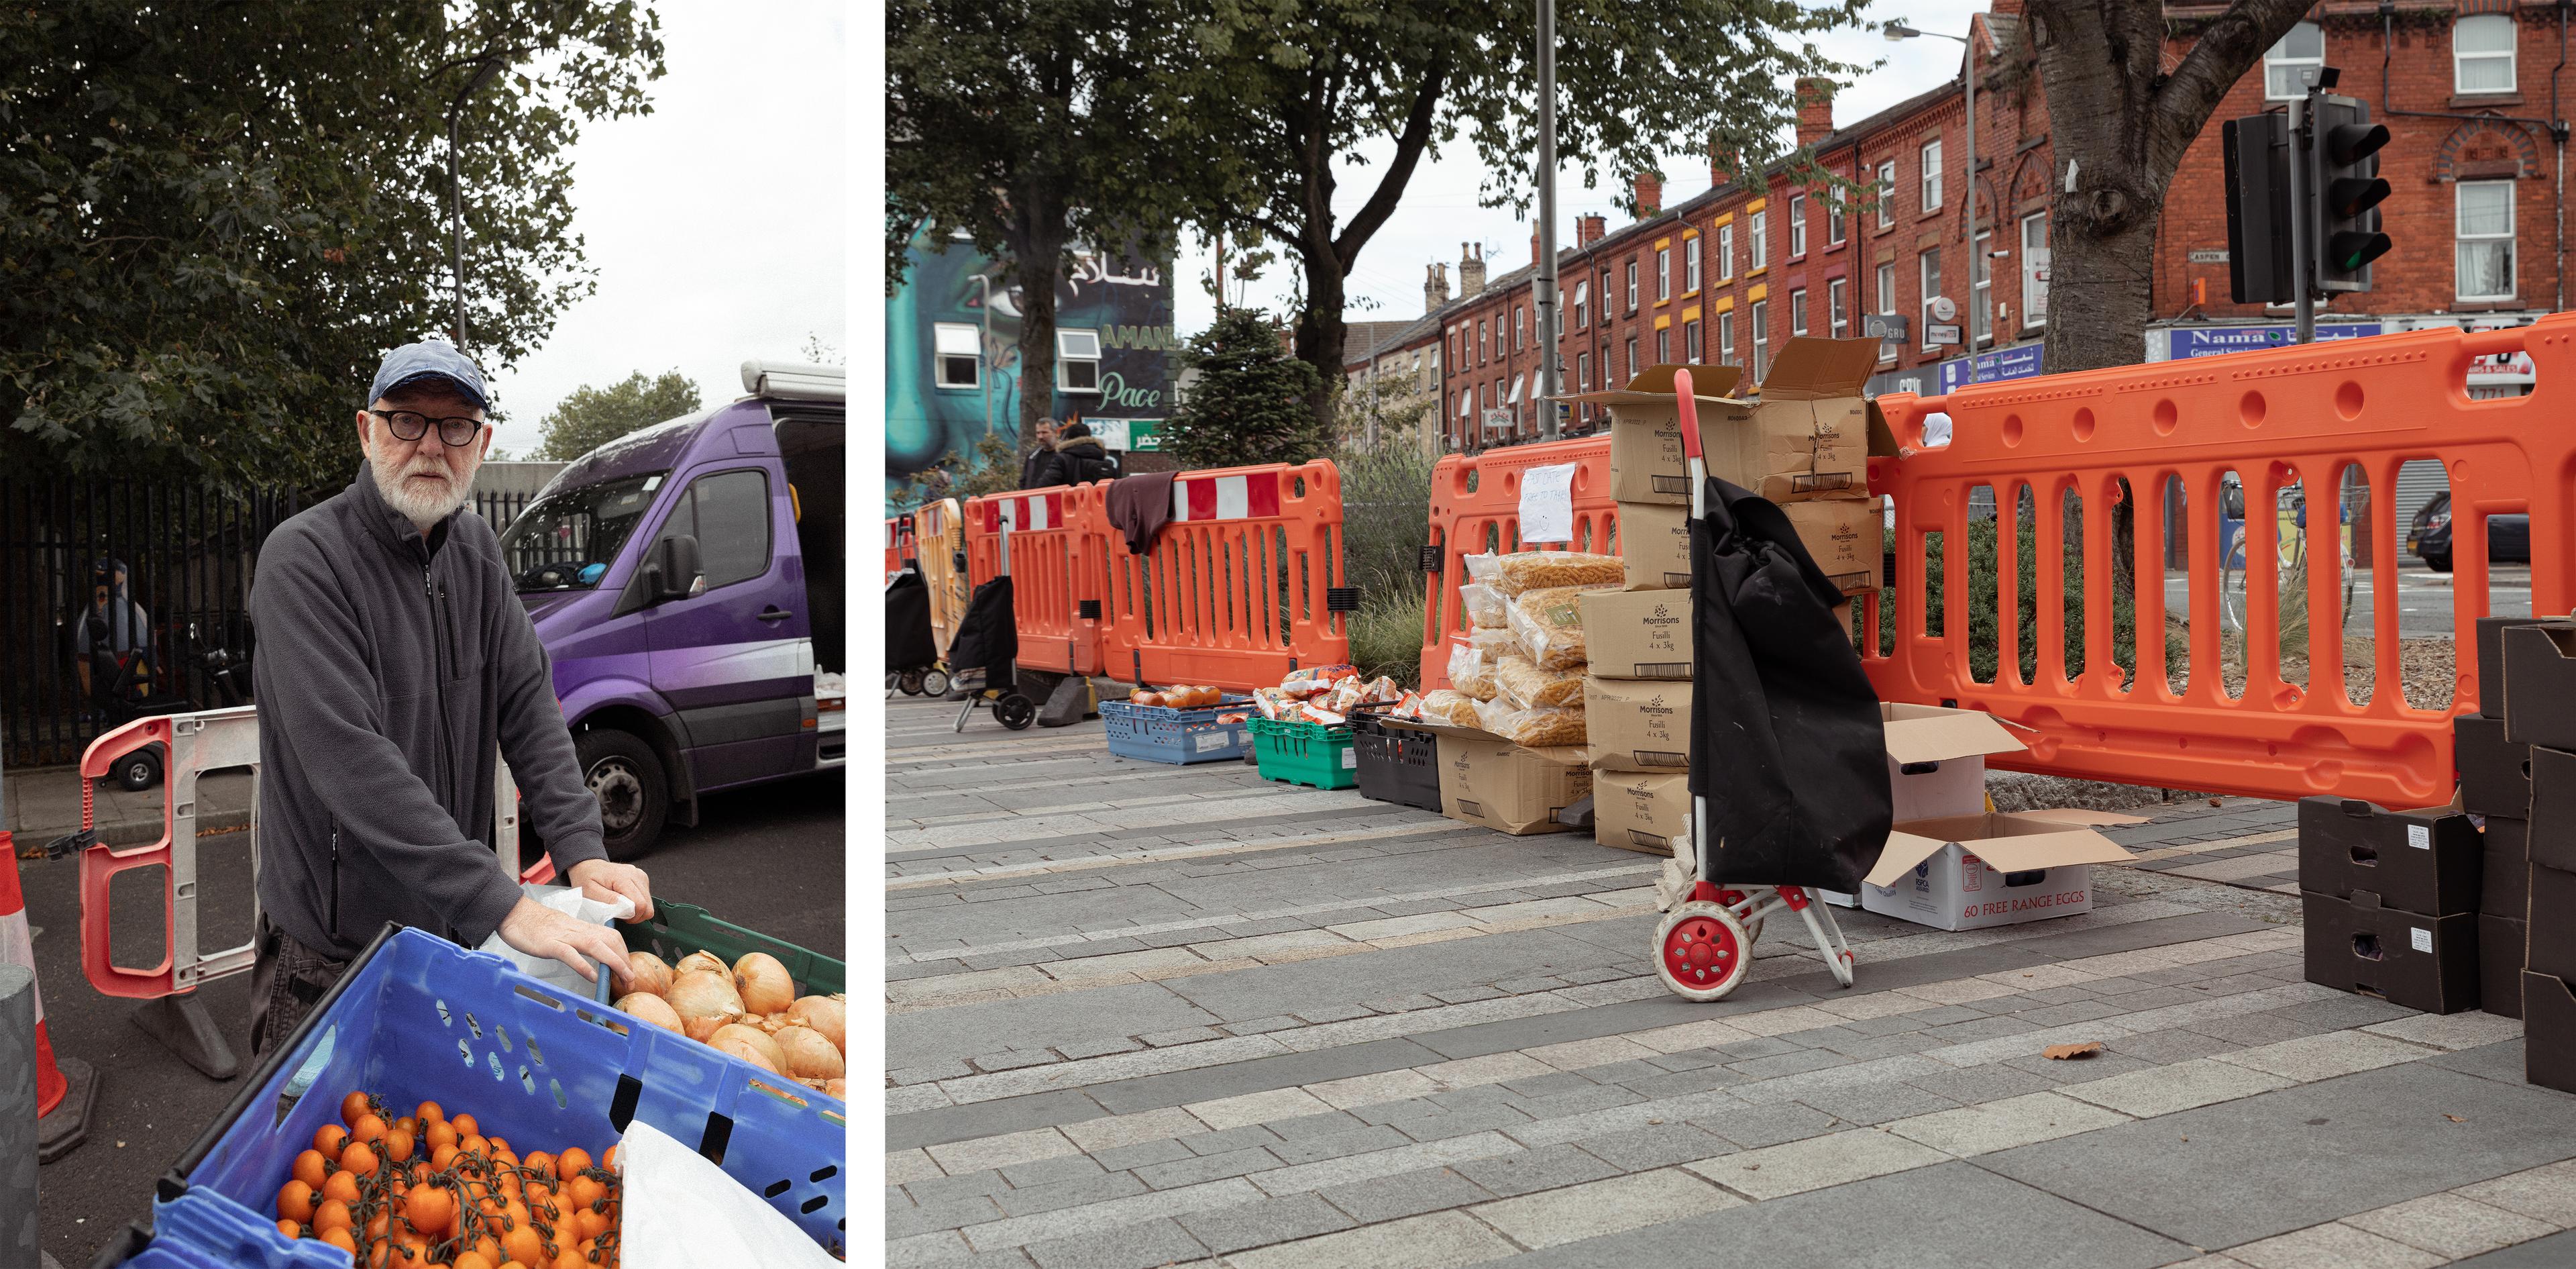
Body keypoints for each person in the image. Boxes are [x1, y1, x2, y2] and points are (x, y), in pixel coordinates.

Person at [246, 341, 655, 1056]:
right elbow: (349, 760)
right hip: (333, 959)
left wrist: (581, 849)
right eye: (407, 420)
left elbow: (528, 705)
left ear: (483, 442)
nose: (431, 445)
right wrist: (500, 901)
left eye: (455, 425)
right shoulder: (303, 559)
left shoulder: (476, 552)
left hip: (449, 936)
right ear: (366, 431)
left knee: (435, 1151)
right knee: (311, 1156)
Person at [72, 557, 153, 706]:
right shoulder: (92, 610)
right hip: (94, 659)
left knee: (129, 691)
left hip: (126, 658)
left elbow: (144, 637)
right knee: (100, 691)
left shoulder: (128, 608)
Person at [1036, 419, 1120, 487]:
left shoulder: (1062, 459)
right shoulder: (1100, 456)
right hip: (1096, 507)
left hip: (1070, 506)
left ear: (1068, 439)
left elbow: (1045, 485)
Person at [1016, 417, 1060, 489]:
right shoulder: (1032, 456)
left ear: (1057, 433)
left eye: (1045, 432)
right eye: (1038, 433)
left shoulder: (1063, 456)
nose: (1040, 437)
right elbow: (1023, 481)